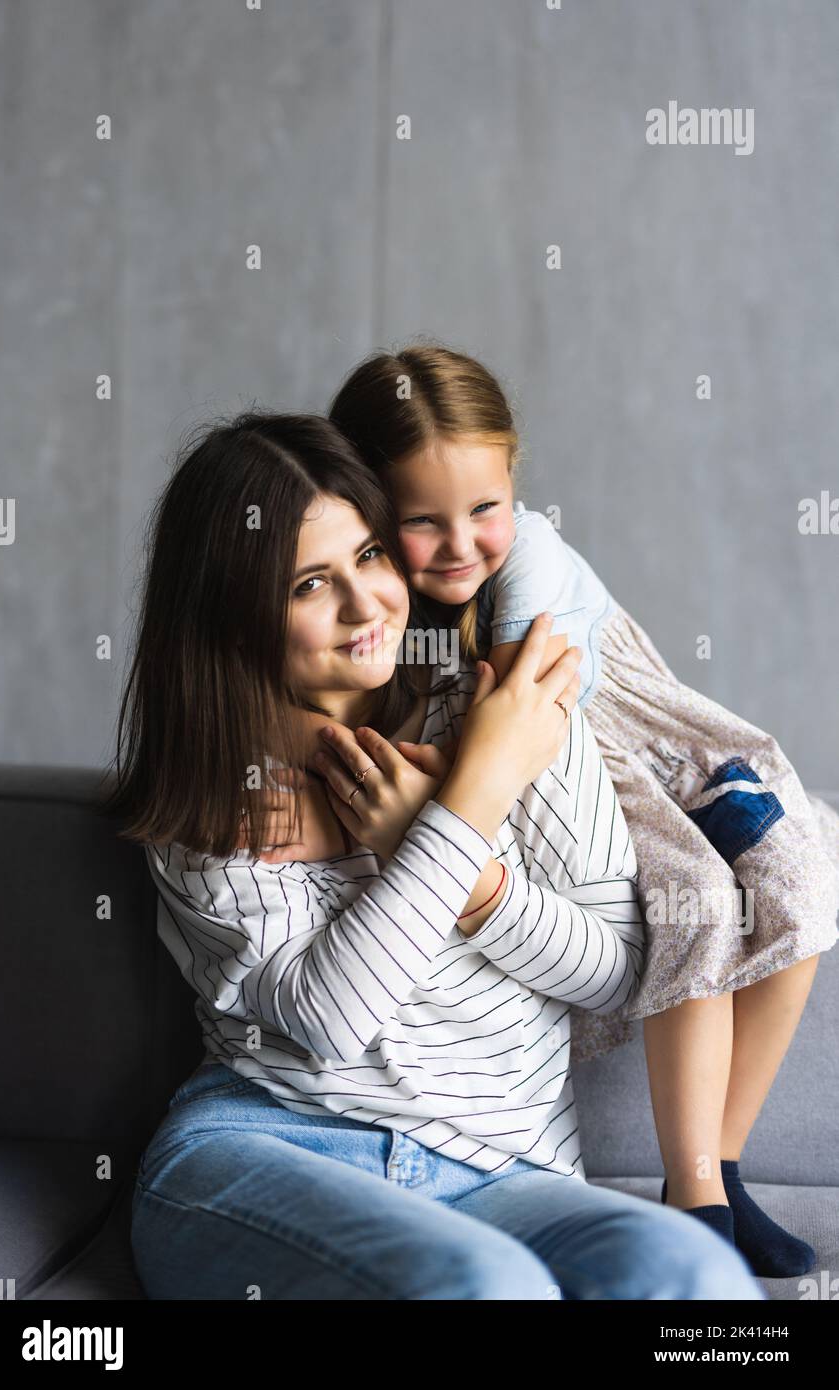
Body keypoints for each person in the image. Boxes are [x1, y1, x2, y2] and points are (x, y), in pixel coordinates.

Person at [106, 411, 764, 1299]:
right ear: (231, 613)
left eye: (371, 555)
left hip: (509, 1176)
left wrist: (465, 865)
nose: (364, 605)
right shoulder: (223, 789)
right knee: (481, 1284)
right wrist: (474, 794)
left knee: (691, 1271)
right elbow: (330, 1020)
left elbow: (619, 974)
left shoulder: (502, 706)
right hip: (273, 1147)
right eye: (308, 583)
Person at [326, 341, 839, 1277]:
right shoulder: (376, 607)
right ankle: (695, 1196)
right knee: (697, 905)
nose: (462, 544)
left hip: (625, 743)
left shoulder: (529, 563)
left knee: (800, 879)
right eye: (420, 522)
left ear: (514, 480)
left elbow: (510, 726)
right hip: (565, 781)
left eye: (484, 507)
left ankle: (721, 1161)